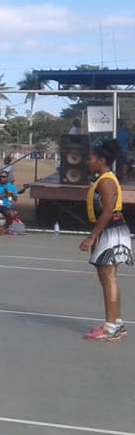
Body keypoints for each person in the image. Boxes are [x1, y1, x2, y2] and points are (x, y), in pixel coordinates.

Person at [80, 139, 131, 341]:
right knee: (109, 278)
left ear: (101, 160)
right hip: (111, 229)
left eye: (90, 158)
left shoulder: (107, 181)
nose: (88, 161)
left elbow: (108, 211)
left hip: (110, 230)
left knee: (108, 278)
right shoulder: (103, 178)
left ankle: (110, 327)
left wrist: (92, 236)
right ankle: (116, 324)